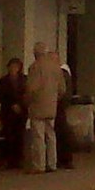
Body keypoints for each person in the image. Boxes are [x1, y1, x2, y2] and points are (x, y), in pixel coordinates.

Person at [25, 42, 65, 173]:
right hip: (52, 106)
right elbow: (62, 89)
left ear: (35, 53)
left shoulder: (35, 68)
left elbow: (32, 88)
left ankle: (39, 165)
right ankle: (52, 163)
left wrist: (27, 100)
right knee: (51, 135)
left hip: (37, 106)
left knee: (38, 137)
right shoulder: (56, 68)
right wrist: (54, 99)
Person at [0, 58, 27, 169]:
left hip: (21, 112)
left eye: (16, 66)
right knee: (9, 135)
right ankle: (9, 160)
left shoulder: (24, 79)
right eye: (12, 66)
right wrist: (12, 104)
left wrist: (21, 105)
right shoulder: (3, 81)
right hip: (8, 111)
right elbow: (0, 97)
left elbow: (26, 94)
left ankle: (18, 159)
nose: (14, 69)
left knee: (20, 135)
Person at [55, 60, 75, 169]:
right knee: (61, 132)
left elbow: (63, 91)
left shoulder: (61, 73)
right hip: (60, 106)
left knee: (60, 132)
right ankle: (64, 159)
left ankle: (62, 159)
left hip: (58, 106)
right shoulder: (64, 73)